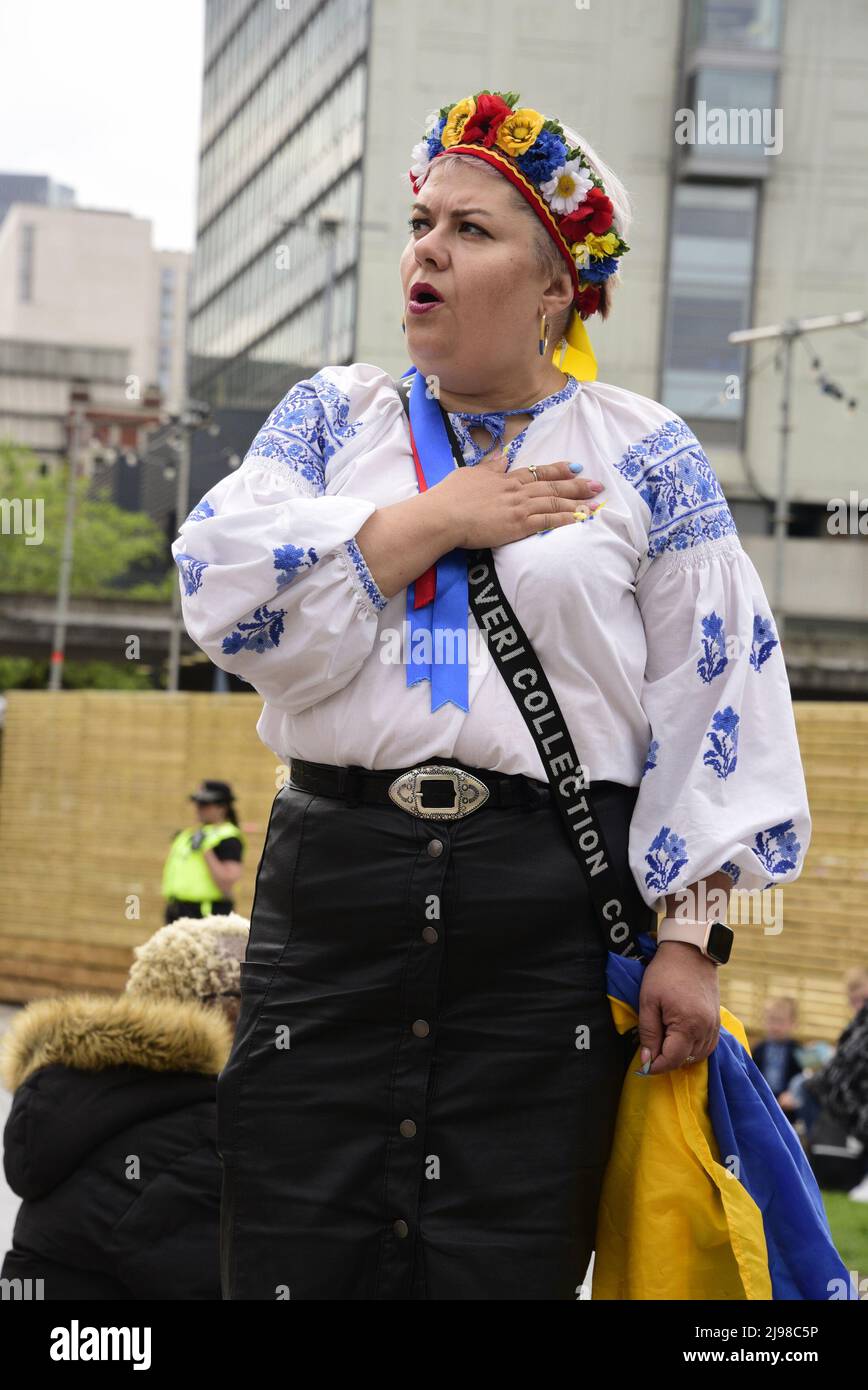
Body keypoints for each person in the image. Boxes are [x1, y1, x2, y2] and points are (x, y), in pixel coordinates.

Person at [171, 89, 811, 1301]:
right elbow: (227, 596)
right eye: (422, 221)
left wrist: (690, 942)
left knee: (502, 1249)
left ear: (556, 286)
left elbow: (713, 693)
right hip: (336, 889)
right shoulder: (330, 418)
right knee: (291, 1235)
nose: (426, 248)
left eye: (471, 230)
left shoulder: (642, 451)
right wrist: (427, 523)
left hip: (546, 909)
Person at [0, 914, 249, 1299]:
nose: (273, 1017)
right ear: (213, 1011)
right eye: (255, 995)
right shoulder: (195, 1141)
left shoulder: (109, 1101)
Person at [161, 779, 245, 924]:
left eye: (205, 804)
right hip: (177, 911)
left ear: (222, 807)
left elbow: (226, 883)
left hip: (205, 914)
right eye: (198, 803)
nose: (199, 808)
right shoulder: (190, 834)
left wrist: (206, 852)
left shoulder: (228, 838)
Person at [752, 997, 803, 1121]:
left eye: (780, 1022)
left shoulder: (797, 1050)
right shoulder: (759, 1049)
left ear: (792, 1023)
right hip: (761, 1101)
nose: (775, 1026)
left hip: (785, 1104)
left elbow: (802, 1077)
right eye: (771, 1020)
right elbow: (751, 1074)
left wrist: (793, 1094)